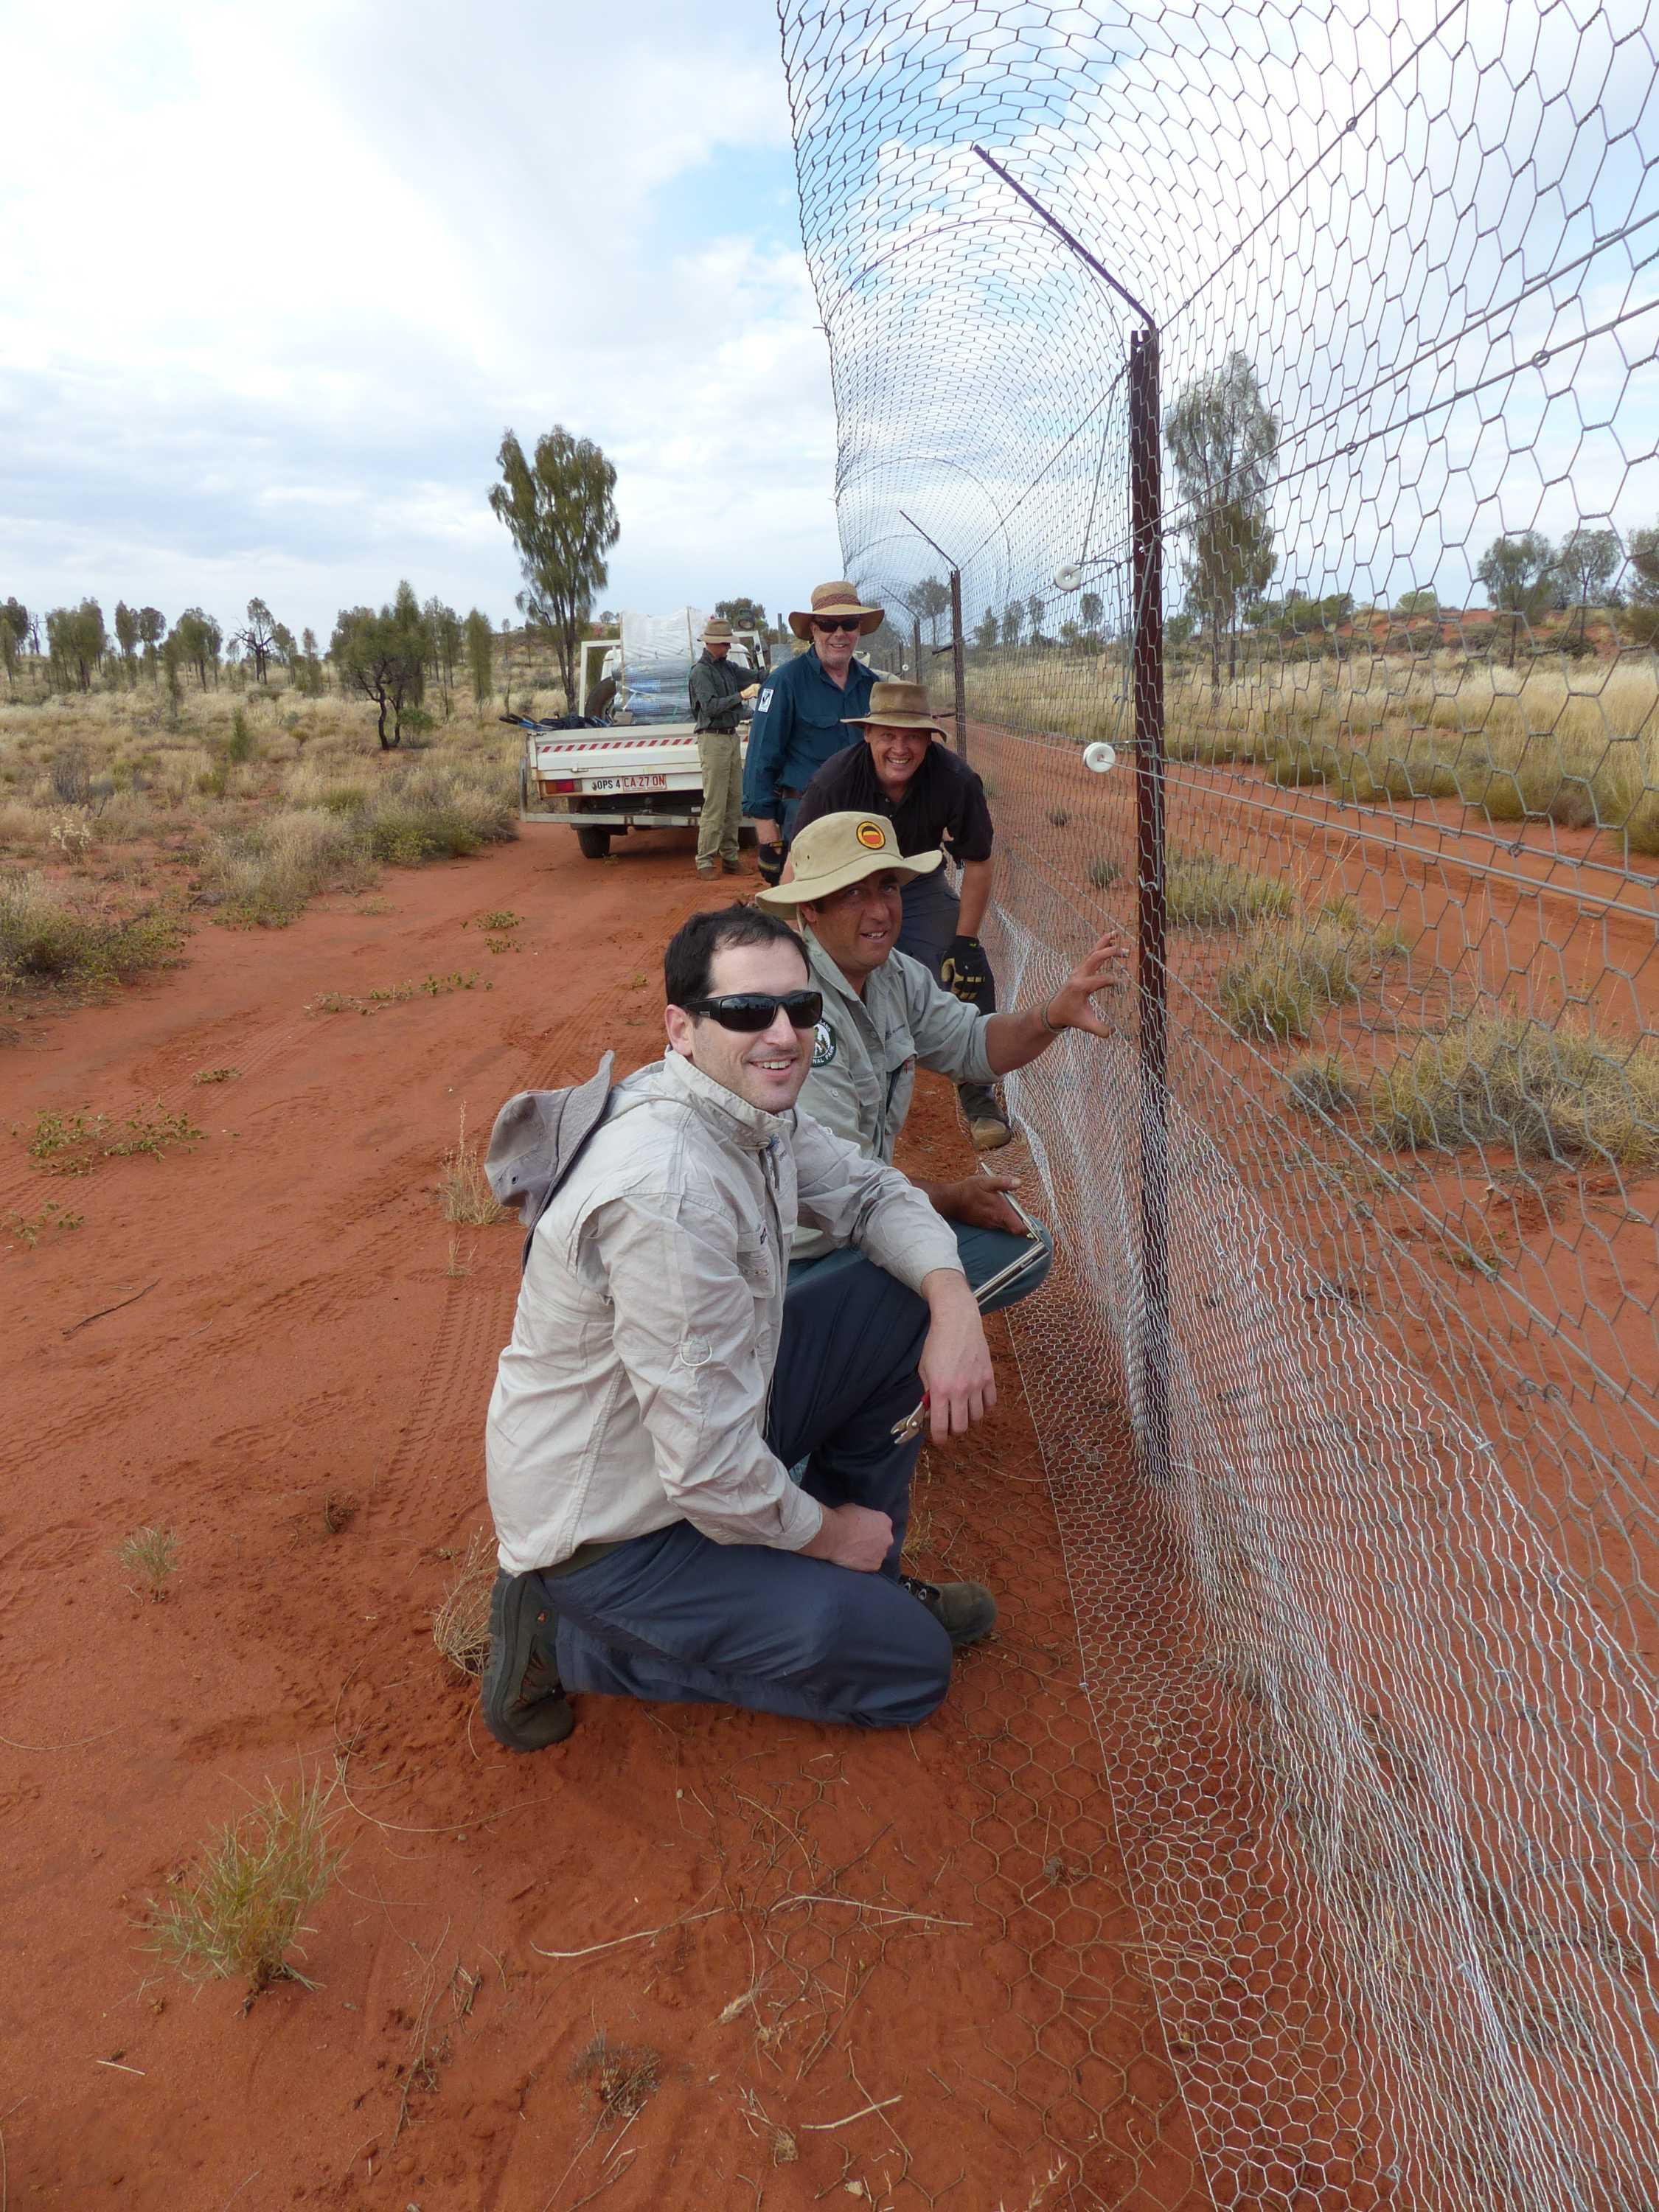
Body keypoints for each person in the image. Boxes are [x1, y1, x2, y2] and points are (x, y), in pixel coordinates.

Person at [479, 903, 1001, 1753]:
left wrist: (953, 1303)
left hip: (692, 1446)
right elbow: (710, 1474)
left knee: (899, 1303)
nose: (784, 1034)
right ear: (681, 1029)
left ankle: (864, 1575)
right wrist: (831, 1536)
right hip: (618, 1531)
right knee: (909, 1670)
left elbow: (874, 1195)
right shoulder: (668, 1195)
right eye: (749, 1011)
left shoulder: (746, 1112)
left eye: (802, 1009)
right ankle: (566, 1638)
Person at [757, 811, 1126, 1304]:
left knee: (1020, 1251)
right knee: (976, 1268)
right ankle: (823, 1350)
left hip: (857, 1225)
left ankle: (857, 1341)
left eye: (887, 887)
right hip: (794, 1257)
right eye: (852, 893)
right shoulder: (798, 1012)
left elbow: (973, 1046)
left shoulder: (894, 975)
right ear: (809, 910)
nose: (880, 912)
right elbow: (839, 1188)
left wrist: (1050, 1016)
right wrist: (950, 1198)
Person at [792, 678, 1009, 1150]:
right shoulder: (833, 781)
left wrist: (966, 942)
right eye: (888, 735)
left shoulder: (955, 780)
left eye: (912, 736)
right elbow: (799, 864)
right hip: (842, 887)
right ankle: (817, 1073)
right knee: (809, 978)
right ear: (867, 734)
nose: (900, 748)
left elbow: (979, 859)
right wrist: (791, 937)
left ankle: (978, 1094)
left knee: (970, 974)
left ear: (929, 740)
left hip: (917, 880)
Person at [740, 582, 883, 886]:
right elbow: (760, 763)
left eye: (849, 624)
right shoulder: (784, 684)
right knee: (811, 917)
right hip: (807, 820)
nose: (840, 634)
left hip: (865, 822)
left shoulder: (874, 687)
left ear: (859, 630)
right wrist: (769, 842)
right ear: (814, 630)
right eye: (829, 625)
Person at [686, 616, 758, 881]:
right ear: (713, 644)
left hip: (729, 738)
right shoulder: (701, 672)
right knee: (715, 802)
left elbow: (755, 676)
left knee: (733, 801)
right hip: (713, 739)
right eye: (725, 643)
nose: (728, 647)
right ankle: (705, 860)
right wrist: (742, 695)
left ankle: (730, 857)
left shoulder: (727, 668)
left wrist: (772, 675)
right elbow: (711, 707)